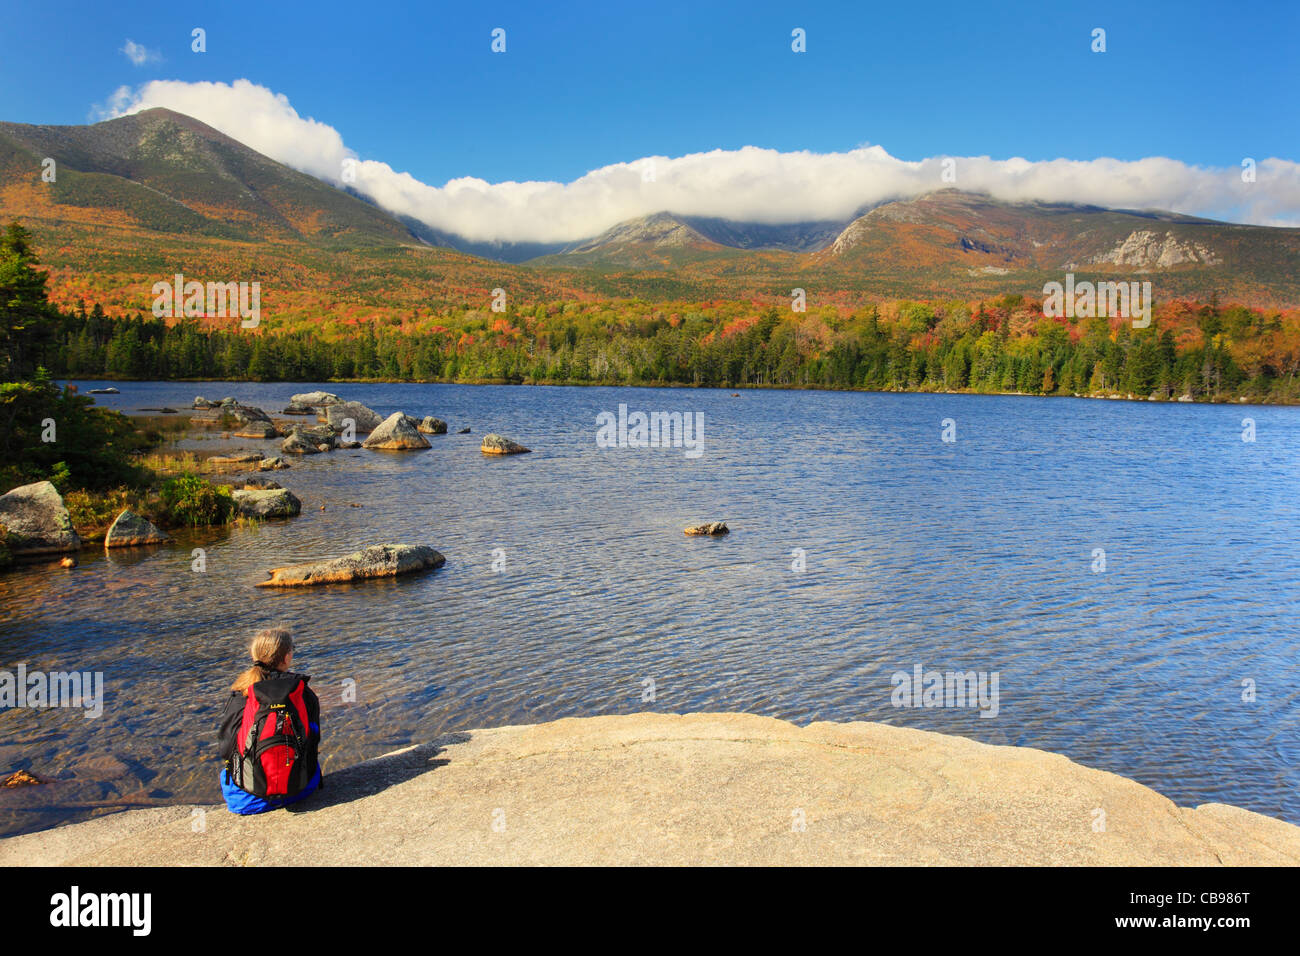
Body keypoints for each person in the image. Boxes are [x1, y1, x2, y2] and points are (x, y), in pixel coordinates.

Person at [217, 627, 321, 814]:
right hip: (301, 789)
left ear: (254, 654)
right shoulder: (302, 692)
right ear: (287, 657)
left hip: (246, 799)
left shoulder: (242, 693)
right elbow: (313, 739)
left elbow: (225, 749)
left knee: (226, 772)